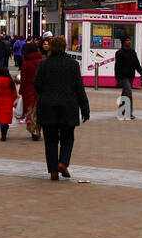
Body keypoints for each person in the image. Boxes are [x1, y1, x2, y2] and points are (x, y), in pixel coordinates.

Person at [34, 36, 90, 180]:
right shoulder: (72, 64)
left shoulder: (44, 64)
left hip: (48, 106)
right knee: (68, 137)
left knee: (50, 140)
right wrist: (85, 108)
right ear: (64, 47)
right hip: (68, 106)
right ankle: (63, 162)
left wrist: (46, 94)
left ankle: (53, 170)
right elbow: (79, 88)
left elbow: (37, 84)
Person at [114, 34, 142, 119]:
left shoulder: (132, 52)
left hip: (131, 76)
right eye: (127, 40)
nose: (129, 42)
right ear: (123, 42)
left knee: (125, 94)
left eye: (129, 40)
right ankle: (128, 113)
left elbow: (136, 64)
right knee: (129, 93)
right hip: (123, 77)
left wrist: (141, 72)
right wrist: (117, 78)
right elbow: (117, 66)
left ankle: (121, 111)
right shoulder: (119, 53)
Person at [19, 42, 43, 142]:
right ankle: (38, 129)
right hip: (41, 90)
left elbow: (23, 80)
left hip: (29, 90)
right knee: (39, 111)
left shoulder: (25, 63)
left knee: (30, 111)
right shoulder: (42, 61)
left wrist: (21, 90)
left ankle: (34, 131)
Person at [0, 66, 18, 140]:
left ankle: (3, 134)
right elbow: (15, 94)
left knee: (1, 119)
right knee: (6, 119)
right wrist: (12, 100)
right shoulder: (11, 82)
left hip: (0, 102)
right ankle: (5, 131)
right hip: (8, 102)